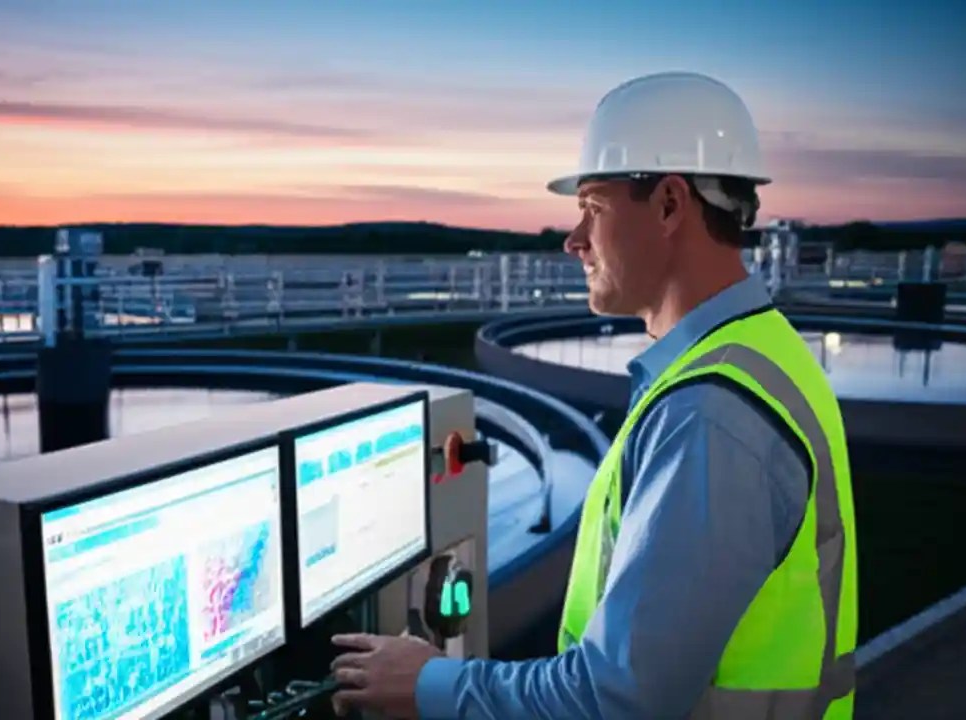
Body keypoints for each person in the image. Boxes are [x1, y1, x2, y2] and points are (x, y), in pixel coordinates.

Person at [329, 71, 859, 720]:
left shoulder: (711, 415)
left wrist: (427, 684)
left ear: (669, 205)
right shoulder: (762, 353)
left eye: (594, 208)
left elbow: (616, 700)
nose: (573, 239)